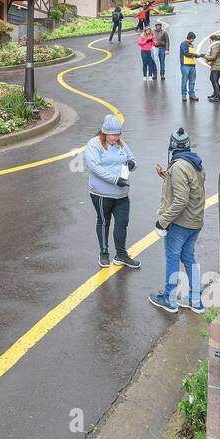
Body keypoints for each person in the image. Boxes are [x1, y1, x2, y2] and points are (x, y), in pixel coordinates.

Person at [149, 128, 208, 314]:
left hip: (181, 223)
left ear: (172, 147)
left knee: (172, 258)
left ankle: (169, 299)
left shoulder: (178, 167)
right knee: (189, 258)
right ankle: (195, 300)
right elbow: (192, 188)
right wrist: (168, 176)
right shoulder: (196, 163)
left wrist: (163, 221)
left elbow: (181, 200)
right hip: (196, 221)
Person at [85, 114, 140, 269]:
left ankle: (121, 255)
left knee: (122, 222)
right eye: (113, 135)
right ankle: (104, 253)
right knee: (104, 221)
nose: (116, 138)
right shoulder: (94, 145)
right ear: (105, 132)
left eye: (118, 134)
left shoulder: (121, 144)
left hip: (122, 193)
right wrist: (115, 180)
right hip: (102, 194)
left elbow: (134, 160)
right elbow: (95, 168)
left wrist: (131, 165)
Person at [204, 33, 220, 102]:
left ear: (213, 40)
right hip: (219, 65)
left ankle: (217, 97)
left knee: (214, 81)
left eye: (210, 40)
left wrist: (204, 56)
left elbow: (213, 57)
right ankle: (215, 94)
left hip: (217, 66)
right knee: (213, 80)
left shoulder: (215, 46)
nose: (209, 42)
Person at [177, 31, 200, 102]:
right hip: (185, 65)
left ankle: (192, 95)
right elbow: (186, 53)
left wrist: (196, 56)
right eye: (193, 38)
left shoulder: (191, 45)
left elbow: (191, 54)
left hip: (192, 65)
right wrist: (195, 55)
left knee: (192, 81)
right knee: (184, 80)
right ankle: (184, 95)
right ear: (190, 38)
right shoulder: (183, 44)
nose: (193, 40)